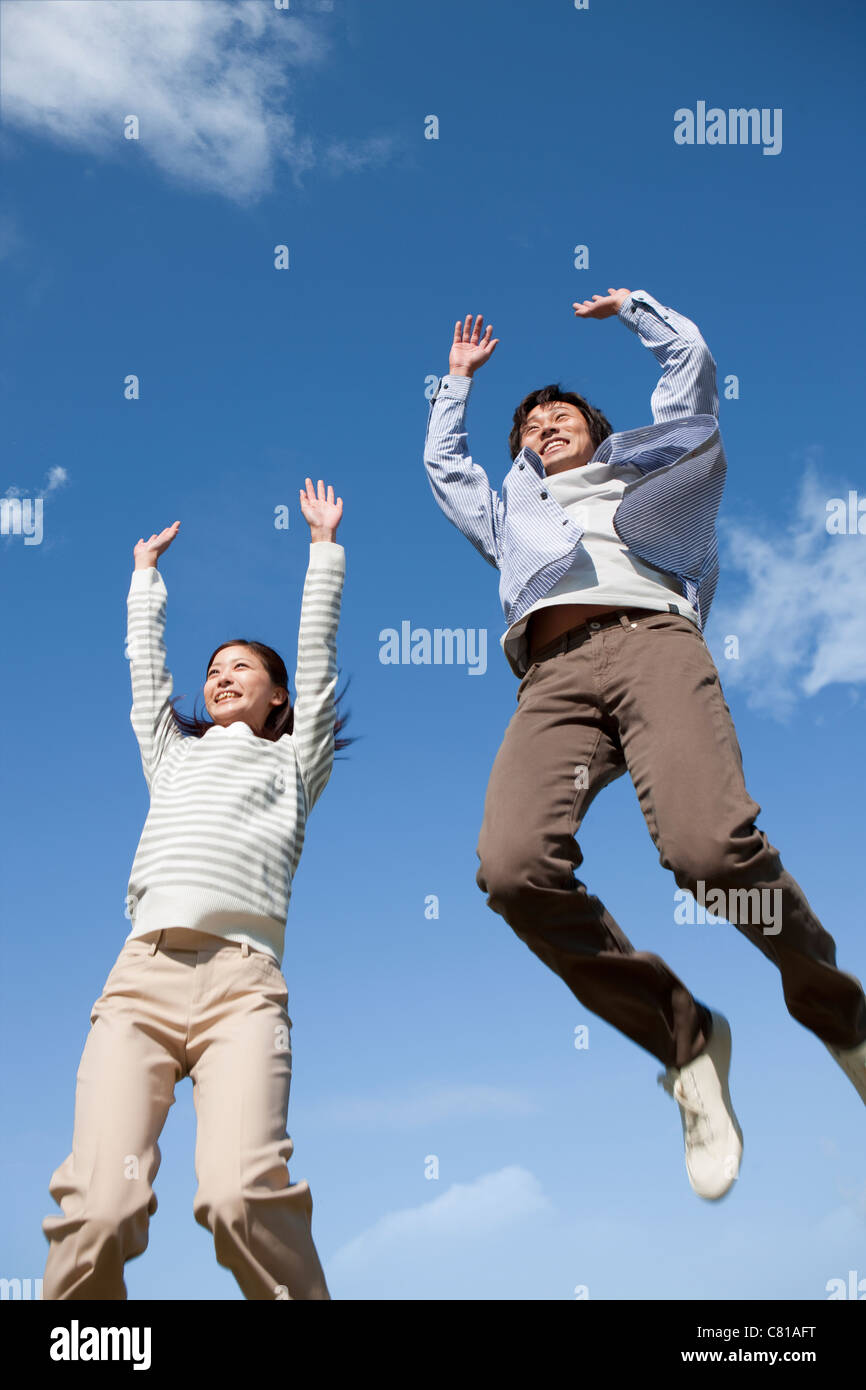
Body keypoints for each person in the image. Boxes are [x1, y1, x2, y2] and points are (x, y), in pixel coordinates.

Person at [422, 290, 866, 1201]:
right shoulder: (514, 514)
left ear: (598, 429)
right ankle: (686, 1043)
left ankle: (841, 1017)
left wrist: (637, 311)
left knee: (708, 851)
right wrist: (457, 385)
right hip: (551, 679)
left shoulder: (644, 478)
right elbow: (446, 466)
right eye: (531, 424)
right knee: (512, 870)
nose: (545, 426)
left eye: (562, 415)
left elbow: (691, 375)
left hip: (653, 643)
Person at [42, 477, 348, 1298]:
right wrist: (146, 576)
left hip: (242, 990)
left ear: (275, 695)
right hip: (139, 983)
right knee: (99, 1212)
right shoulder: (171, 755)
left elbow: (316, 661)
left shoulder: (294, 763)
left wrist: (323, 553)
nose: (219, 678)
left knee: (239, 1196)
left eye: (241, 668)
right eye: (213, 670)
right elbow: (148, 672)